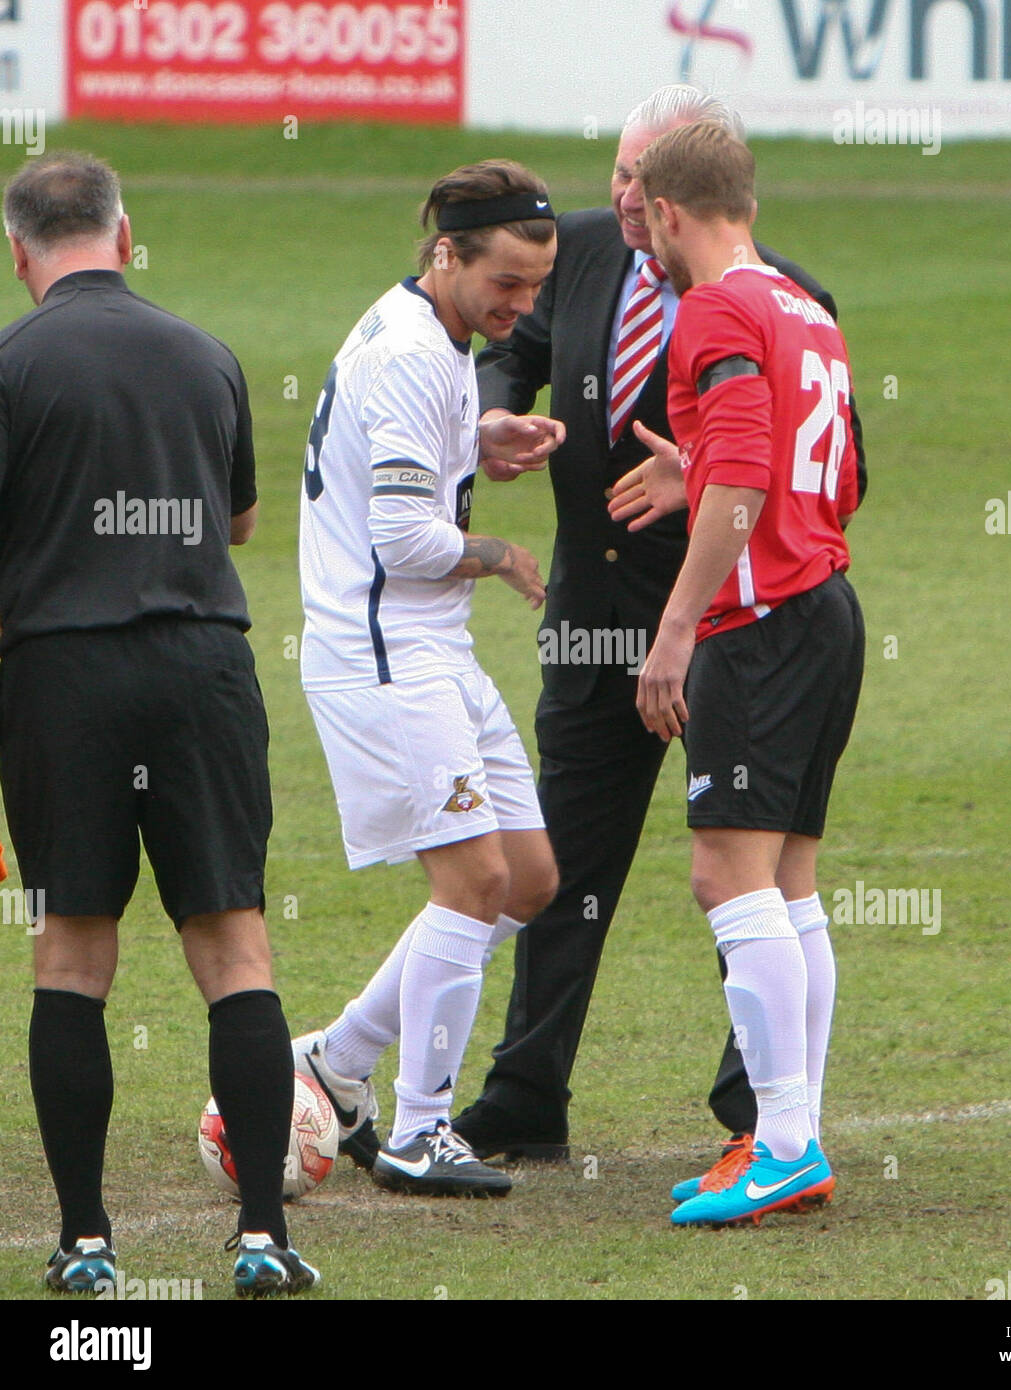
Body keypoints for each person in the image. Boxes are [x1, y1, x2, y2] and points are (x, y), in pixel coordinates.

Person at [454, 85, 866, 1162]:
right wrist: (490, 412)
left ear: (687, 184)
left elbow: (812, 469)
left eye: (646, 179)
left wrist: (712, 485)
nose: (627, 197)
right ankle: (525, 1091)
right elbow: (515, 341)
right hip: (598, 623)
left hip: (724, 619)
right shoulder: (587, 253)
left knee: (749, 868)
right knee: (565, 862)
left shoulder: (757, 298)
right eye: (620, 174)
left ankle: (761, 1118)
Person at [0, 152, 316, 1294]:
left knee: (72, 957)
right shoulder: (205, 354)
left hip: (56, 678)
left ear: (19, 250)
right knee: (234, 950)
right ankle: (261, 1236)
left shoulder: (10, 362)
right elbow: (234, 520)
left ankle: (87, 1245)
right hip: (200, 668)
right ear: (126, 234)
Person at [608, 119, 864, 1225]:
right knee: (788, 880)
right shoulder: (804, 308)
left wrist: (674, 631)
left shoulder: (711, 308)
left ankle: (785, 1143)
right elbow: (838, 478)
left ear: (666, 214)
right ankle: (788, 1137)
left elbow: (747, 479)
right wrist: (706, 470)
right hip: (826, 609)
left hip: (757, 625)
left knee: (726, 878)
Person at [293, 160, 563, 1198]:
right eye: (506, 282)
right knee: (474, 881)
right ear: (445, 253)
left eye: (536, 287)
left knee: (528, 877)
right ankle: (419, 1129)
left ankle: (337, 1059)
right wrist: (498, 553)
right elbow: (405, 538)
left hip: (430, 647)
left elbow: (392, 464)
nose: (520, 306)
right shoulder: (413, 353)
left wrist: (474, 435)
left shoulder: (435, 332)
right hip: (385, 651)